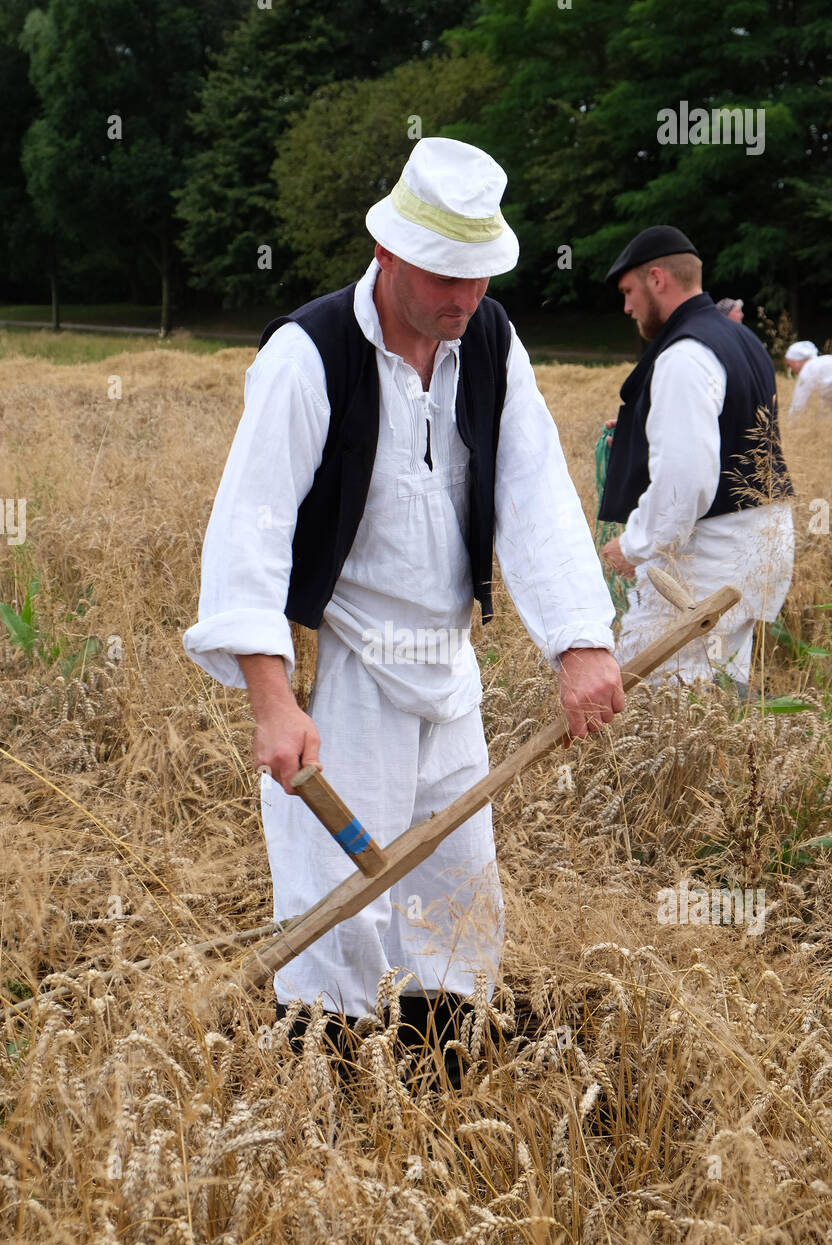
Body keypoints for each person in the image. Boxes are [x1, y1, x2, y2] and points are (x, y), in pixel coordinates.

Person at [182, 137, 624, 1049]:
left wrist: (580, 641)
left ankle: (438, 1098)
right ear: (387, 254)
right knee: (337, 912)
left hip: (447, 672)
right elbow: (249, 536)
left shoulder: (492, 345)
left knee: (457, 903)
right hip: (343, 676)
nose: (463, 299)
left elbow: (534, 492)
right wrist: (272, 702)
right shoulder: (308, 357)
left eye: (479, 278)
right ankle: (327, 1108)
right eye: (443, 277)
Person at [599, 225, 794, 690]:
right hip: (755, 544)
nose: (626, 307)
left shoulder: (684, 355)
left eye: (629, 292)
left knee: (657, 697)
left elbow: (686, 478)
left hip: (707, 556)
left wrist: (633, 547)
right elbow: (726, 431)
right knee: (716, 692)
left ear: (657, 278)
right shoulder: (738, 340)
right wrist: (633, 434)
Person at [785, 340, 832, 415]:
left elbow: (798, 406)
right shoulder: (825, 360)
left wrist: (789, 424)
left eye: (790, 365)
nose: (791, 369)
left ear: (797, 361)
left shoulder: (808, 369)